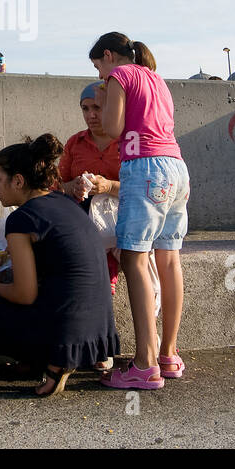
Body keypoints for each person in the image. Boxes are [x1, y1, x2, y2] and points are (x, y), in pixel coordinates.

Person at [0, 135, 119, 396]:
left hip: (64, 335)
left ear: (19, 181)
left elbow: (25, 294)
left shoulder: (21, 219)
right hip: (98, 332)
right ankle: (37, 361)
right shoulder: (65, 203)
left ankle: (52, 363)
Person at [89, 32, 189, 390]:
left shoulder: (121, 75)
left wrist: (105, 97)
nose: (100, 75)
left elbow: (114, 127)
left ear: (108, 56)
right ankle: (169, 353)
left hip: (146, 169)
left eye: (98, 66)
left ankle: (145, 364)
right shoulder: (156, 78)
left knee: (133, 258)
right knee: (169, 259)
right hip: (176, 168)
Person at [58, 81, 121, 290]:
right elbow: (57, 183)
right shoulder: (75, 142)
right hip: (82, 212)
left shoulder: (128, 141)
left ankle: (106, 269)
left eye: (97, 108)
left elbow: (143, 188)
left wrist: (109, 187)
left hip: (120, 213)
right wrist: (73, 186)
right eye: (85, 109)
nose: (90, 115)